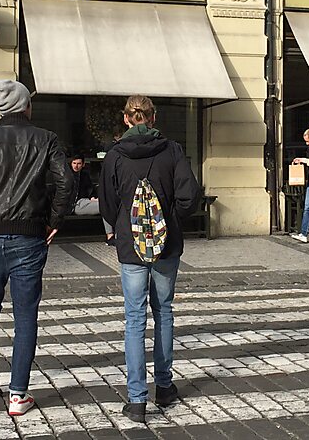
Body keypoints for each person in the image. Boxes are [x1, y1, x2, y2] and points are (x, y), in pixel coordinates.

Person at [0, 79, 71, 417]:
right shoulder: (45, 139)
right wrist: (53, 221)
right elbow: (66, 181)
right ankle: (19, 395)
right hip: (30, 237)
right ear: (26, 106)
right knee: (25, 314)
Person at [100, 95, 201, 423]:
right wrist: (168, 220)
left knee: (134, 319)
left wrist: (120, 226)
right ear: (153, 118)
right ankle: (165, 386)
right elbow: (190, 196)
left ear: (126, 119)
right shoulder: (171, 150)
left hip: (131, 246)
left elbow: (107, 202)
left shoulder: (115, 155)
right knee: (164, 312)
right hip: (166, 245)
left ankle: (137, 399)